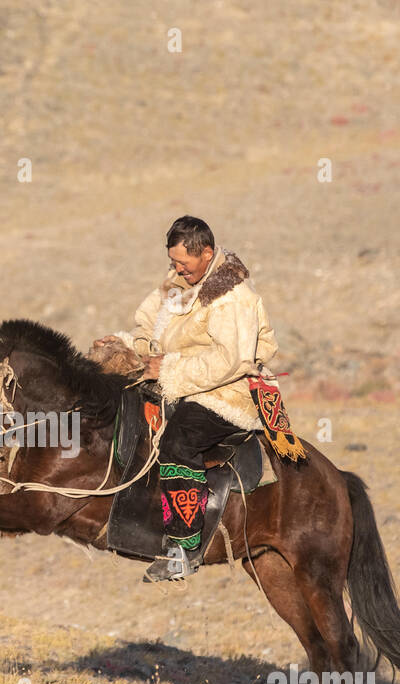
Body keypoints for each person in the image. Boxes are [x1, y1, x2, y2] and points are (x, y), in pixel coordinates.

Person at [93, 215, 283, 582]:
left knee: (179, 441)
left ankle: (183, 547)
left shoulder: (234, 298)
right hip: (184, 380)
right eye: (173, 262)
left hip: (229, 392)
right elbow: (149, 328)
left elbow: (233, 360)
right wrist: (125, 347)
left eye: (183, 262)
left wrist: (167, 370)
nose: (177, 269)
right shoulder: (179, 283)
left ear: (207, 253)